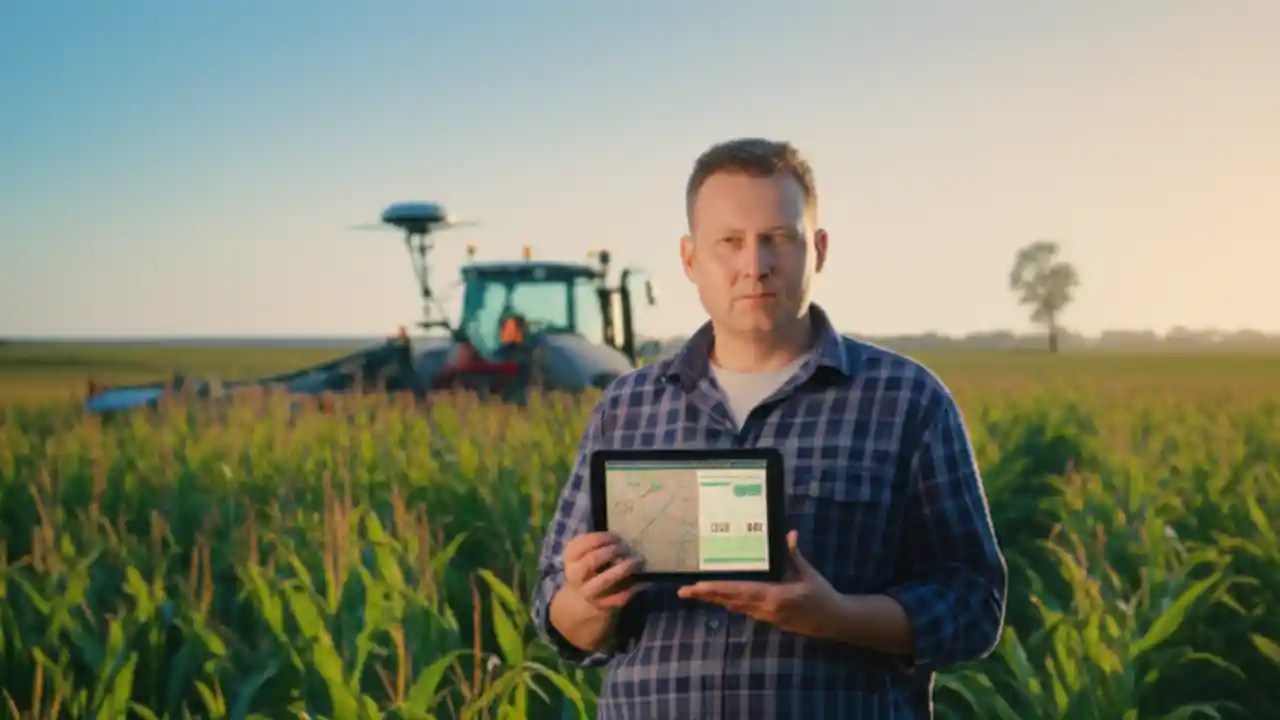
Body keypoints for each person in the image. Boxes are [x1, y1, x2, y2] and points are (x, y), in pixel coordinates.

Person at [531, 137, 1006, 718]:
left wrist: (836, 617)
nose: (754, 265)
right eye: (729, 242)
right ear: (689, 259)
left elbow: (975, 604)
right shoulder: (626, 406)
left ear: (819, 250)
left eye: (777, 238)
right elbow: (557, 615)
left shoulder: (906, 400)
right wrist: (590, 602)